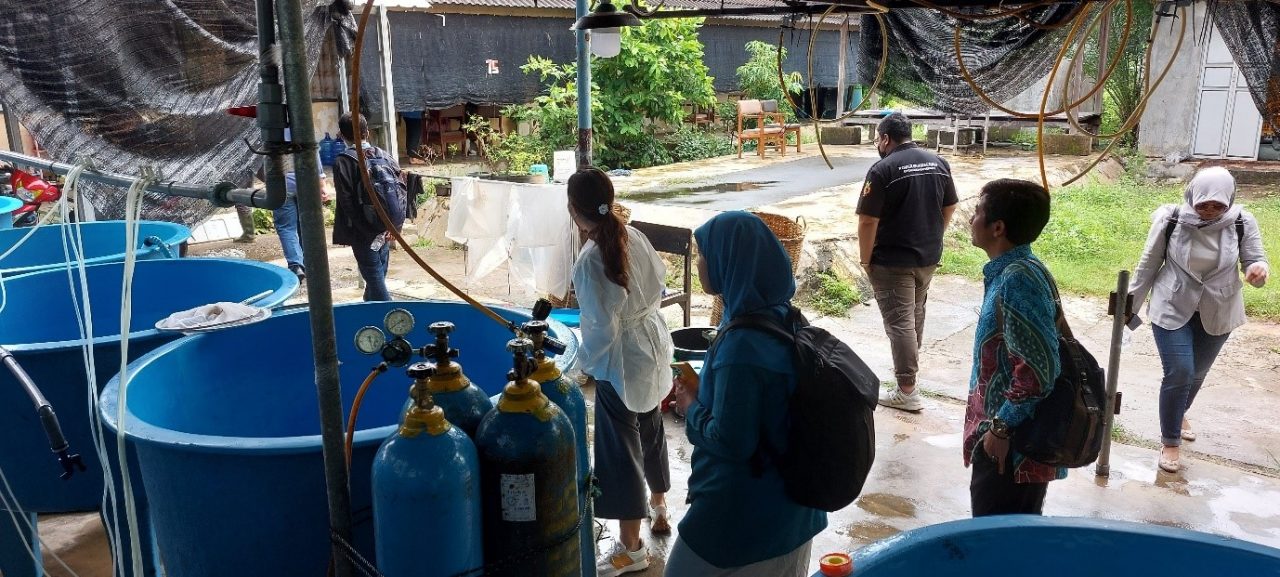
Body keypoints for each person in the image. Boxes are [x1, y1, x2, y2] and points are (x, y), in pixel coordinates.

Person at [668, 211, 826, 577]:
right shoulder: (785, 318)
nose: (700, 264)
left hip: (744, 514)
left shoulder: (741, 346)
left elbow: (733, 440)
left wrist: (692, 408)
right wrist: (706, 388)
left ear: (729, 261)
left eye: (704, 255)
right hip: (795, 510)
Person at [567, 168, 673, 577]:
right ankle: (658, 506)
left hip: (623, 361)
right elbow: (660, 283)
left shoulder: (591, 260)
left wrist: (580, 367)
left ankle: (631, 548)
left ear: (574, 211)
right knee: (653, 429)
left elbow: (599, 330)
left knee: (620, 452)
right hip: (651, 341)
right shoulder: (634, 234)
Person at [1127, 166, 1269, 474]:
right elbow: (1148, 265)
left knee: (1197, 374)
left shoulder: (1242, 221)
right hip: (1172, 305)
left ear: (1229, 201)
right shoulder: (1172, 220)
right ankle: (1170, 441)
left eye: (1218, 205)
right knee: (1180, 371)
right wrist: (1128, 308)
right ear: (1192, 197)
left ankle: (1178, 413)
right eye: (1203, 204)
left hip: (1219, 308)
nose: (1209, 211)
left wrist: (1258, 271)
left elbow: (1256, 259)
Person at [963, 179, 1062, 517]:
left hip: (1012, 449)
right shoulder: (1014, 271)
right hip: (1004, 442)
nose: (971, 219)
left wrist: (1001, 428)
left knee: (997, 545)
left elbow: (1038, 372)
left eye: (977, 212)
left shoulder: (1017, 279)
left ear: (998, 228)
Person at [857, 112, 958, 412]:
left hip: (893, 261)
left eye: (877, 139)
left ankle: (907, 390)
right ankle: (909, 376)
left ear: (886, 138)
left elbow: (867, 222)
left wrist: (865, 260)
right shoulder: (938, 162)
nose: (877, 144)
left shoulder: (882, 169)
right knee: (914, 317)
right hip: (927, 257)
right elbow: (950, 205)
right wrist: (933, 233)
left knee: (900, 323)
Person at [333, 112, 397, 301]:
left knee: (375, 278)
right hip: (384, 226)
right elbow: (400, 190)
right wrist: (393, 225)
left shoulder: (343, 161)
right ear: (367, 133)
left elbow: (346, 202)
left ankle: (392, 316)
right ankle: (369, 309)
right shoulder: (384, 156)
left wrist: (364, 230)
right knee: (377, 276)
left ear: (341, 135)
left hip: (362, 231)